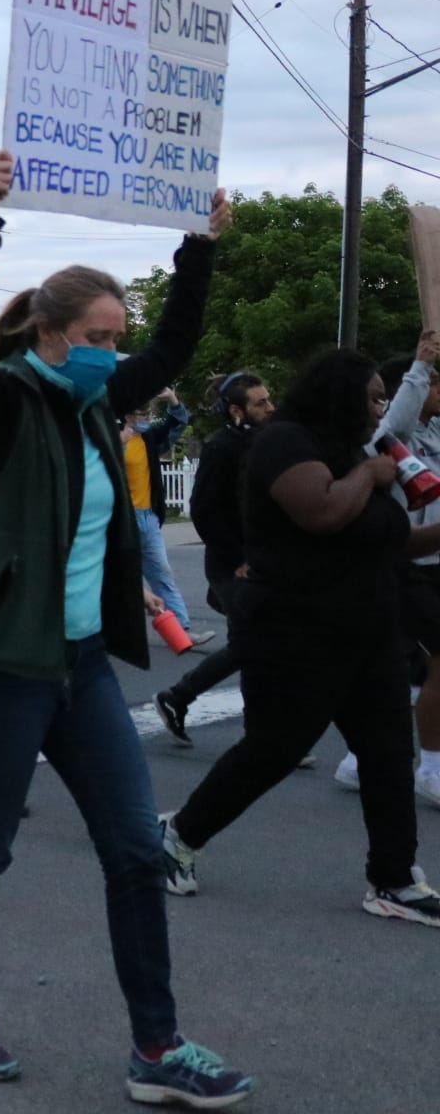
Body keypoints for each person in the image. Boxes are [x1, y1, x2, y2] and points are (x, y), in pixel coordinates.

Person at [0, 150, 252, 1105]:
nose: (116, 349)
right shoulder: (0, 405)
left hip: (80, 669)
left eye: (120, 335)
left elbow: (177, 347)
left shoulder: (99, 403)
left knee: (136, 851)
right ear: (51, 335)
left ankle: (157, 1047)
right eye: (99, 335)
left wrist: (198, 246)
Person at [161, 349, 440, 932]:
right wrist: (371, 475)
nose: (381, 409)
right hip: (295, 633)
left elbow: (391, 541)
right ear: (339, 396)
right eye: (374, 397)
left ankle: (393, 879)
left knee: (388, 755)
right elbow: (322, 512)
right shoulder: (285, 444)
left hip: (366, 632)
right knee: (273, 751)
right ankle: (179, 835)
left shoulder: (357, 453)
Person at [333, 342, 440, 805]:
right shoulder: (386, 438)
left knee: (398, 667)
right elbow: (395, 421)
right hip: (407, 564)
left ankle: (358, 759)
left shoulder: (435, 433)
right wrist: (422, 364)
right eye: (435, 384)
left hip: (434, 562)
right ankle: (431, 768)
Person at [153, 370, 275, 745]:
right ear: (237, 410)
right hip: (233, 569)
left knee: (252, 644)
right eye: (261, 403)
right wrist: (238, 558)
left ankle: (178, 697)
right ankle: (262, 735)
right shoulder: (221, 448)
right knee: (255, 644)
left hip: (263, 563)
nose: (271, 407)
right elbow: (204, 512)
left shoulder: (264, 442)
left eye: (269, 399)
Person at [122, 388, 211, 643]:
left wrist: (172, 399)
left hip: (148, 517)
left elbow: (177, 423)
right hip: (121, 520)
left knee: (162, 575)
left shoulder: (149, 438)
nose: (147, 418)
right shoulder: (112, 439)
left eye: (149, 414)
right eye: (142, 414)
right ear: (128, 416)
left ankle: (181, 632)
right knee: (115, 577)